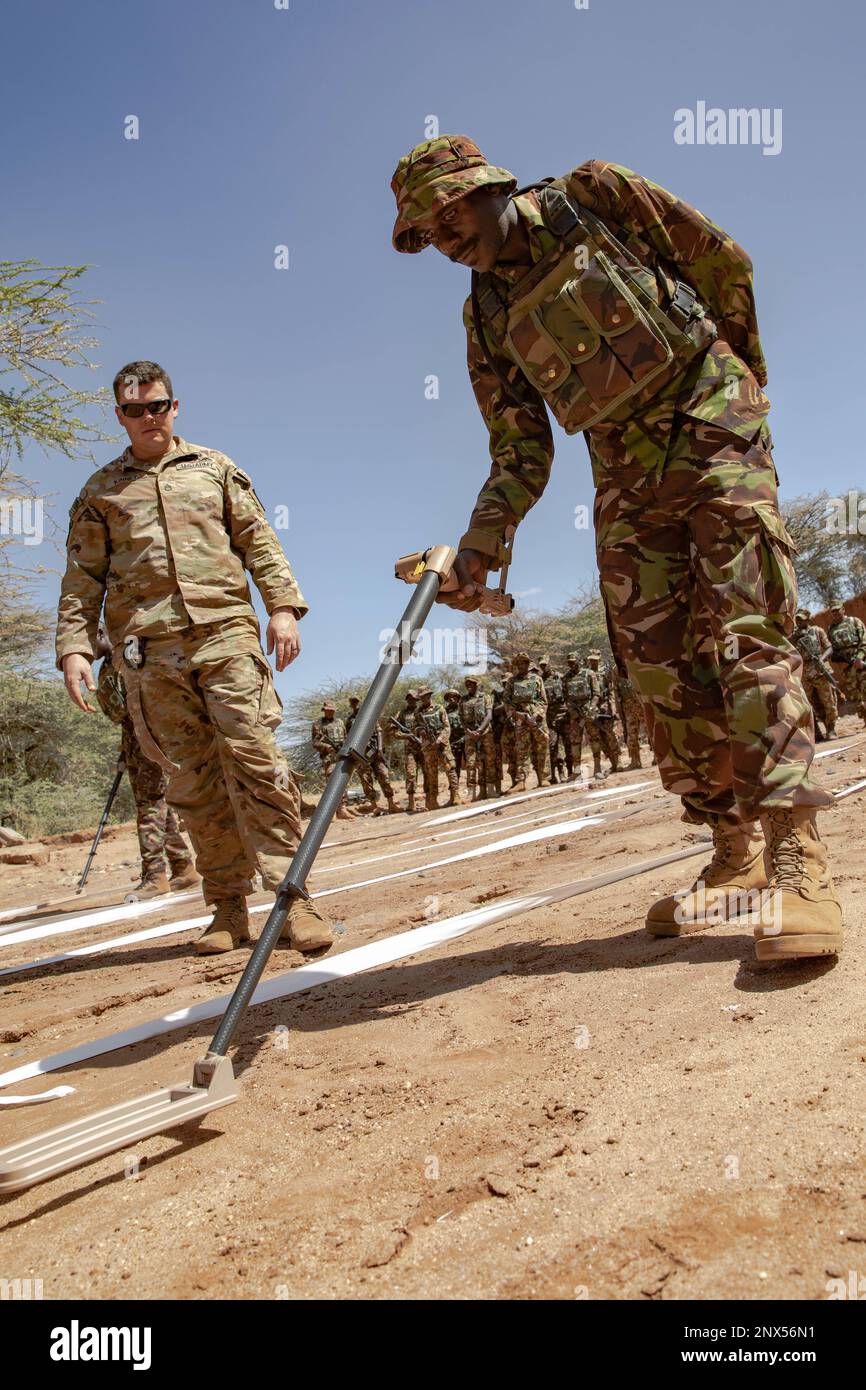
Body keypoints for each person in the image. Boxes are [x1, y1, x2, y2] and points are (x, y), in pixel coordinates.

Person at [390, 135, 841, 961]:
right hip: (625, 475)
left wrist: (741, 383)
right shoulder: (485, 315)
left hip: (712, 430)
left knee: (748, 633)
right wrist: (482, 547)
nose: (444, 242)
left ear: (485, 188)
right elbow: (518, 449)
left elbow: (723, 262)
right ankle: (733, 851)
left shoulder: (596, 195)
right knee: (656, 664)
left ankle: (796, 855)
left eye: (446, 218)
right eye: (427, 235)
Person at [56, 360, 332, 956]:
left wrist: (283, 608)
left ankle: (294, 900)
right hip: (149, 651)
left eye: (157, 406)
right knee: (193, 779)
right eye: (135, 410)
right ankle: (227, 907)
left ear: (174, 407)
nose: (148, 418)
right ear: (120, 416)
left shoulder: (214, 468)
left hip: (226, 634)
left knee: (257, 759)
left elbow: (258, 540)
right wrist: (74, 647)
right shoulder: (100, 491)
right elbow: (82, 578)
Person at [94, 629, 198, 897]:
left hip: (148, 733)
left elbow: (145, 696)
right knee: (157, 803)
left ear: (101, 633)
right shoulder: (109, 664)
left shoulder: (128, 655)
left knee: (150, 803)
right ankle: (183, 867)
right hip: (133, 736)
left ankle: (154, 875)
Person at [346, 695, 399, 814]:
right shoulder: (350, 721)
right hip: (361, 755)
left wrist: (379, 748)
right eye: (353, 703)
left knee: (384, 776)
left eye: (357, 702)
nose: (356, 705)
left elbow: (379, 731)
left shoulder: (369, 716)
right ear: (351, 705)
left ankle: (391, 804)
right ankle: (374, 806)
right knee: (366, 780)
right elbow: (348, 738)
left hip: (375, 753)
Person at [791, 609, 838, 741]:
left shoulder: (817, 631)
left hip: (820, 671)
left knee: (828, 702)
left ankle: (831, 729)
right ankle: (816, 732)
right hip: (804, 674)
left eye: (801, 619)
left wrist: (822, 659)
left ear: (808, 619)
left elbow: (829, 647)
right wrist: (794, 638)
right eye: (797, 619)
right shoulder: (793, 636)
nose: (798, 622)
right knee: (809, 704)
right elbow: (788, 649)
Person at [505, 652, 548, 790]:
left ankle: (543, 778)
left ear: (528, 664)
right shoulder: (512, 681)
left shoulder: (537, 679)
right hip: (520, 720)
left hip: (537, 720)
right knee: (521, 750)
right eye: (518, 663)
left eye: (523, 662)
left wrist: (537, 714)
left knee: (541, 747)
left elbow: (544, 701)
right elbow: (507, 701)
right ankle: (521, 781)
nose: (520, 665)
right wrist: (516, 714)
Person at [415, 688, 461, 809]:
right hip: (428, 747)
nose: (424, 699)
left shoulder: (439, 708)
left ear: (429, 695)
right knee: (431, 773)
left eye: (425, 696)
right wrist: (420, 730)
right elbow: (414, 729)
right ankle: (433, 800)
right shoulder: (418, 712)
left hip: (442, 745)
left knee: (450, 769)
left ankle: (455, 795)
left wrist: (439, 740)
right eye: (421, 697)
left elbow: (447, 727)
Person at [311, 701, 356, 820]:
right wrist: (326, 747)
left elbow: (346, 738)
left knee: (343, 781)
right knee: (332, 782)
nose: (330, 712)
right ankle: (332, 811)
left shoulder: (340, 722)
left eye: (332, 710)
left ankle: (342, 809)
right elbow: (315, 743)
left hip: (341, 756)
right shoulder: (318, 724)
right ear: (324, 710)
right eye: (328, 710)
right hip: (328, 759)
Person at [826, 602, 866, 729]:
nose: (835, 613)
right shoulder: (831, 629)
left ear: (843, 609)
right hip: (847, 668)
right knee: (856, 696)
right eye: (833, 611)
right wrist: (840, 663)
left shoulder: (854, 622)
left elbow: (864, 640)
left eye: (837, 610)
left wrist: (860, 657)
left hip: (861, 663)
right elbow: (832, 649)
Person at [460, 675, 496, 800]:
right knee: (471, 763)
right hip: (470, 735)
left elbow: (489, 716)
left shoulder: (485, 697)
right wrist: (469, 731)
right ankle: (472, 792)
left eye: (471, 683)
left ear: (476, 684)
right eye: (467, 684)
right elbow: (461, 719)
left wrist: (479, 730)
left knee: (489, 761)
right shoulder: (463, 700)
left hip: (485, 732)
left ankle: (490, 789)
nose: (469, 686)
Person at [539, 655, 572, 783]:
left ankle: (571, 771)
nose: (543, 667)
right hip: (550, 718)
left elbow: (568, 694)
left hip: (564, 715)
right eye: (541, 665)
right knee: (553, 746)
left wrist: (569, 710)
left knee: (568, 744)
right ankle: (560, 771)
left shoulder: (560, 677)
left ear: (549, 664)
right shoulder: (540, 680)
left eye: (545, 664)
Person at [390, 688, 422, 812]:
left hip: (425, 748)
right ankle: (411, 802)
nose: (411, 701)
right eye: (409, 699)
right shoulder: (401, 714)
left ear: (417, 700)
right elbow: (394, 731)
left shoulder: (422, 711)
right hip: (410, 749)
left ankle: (431, 800)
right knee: (410, 774)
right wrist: (407, 736)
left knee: (429, 773)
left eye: (413, 699)